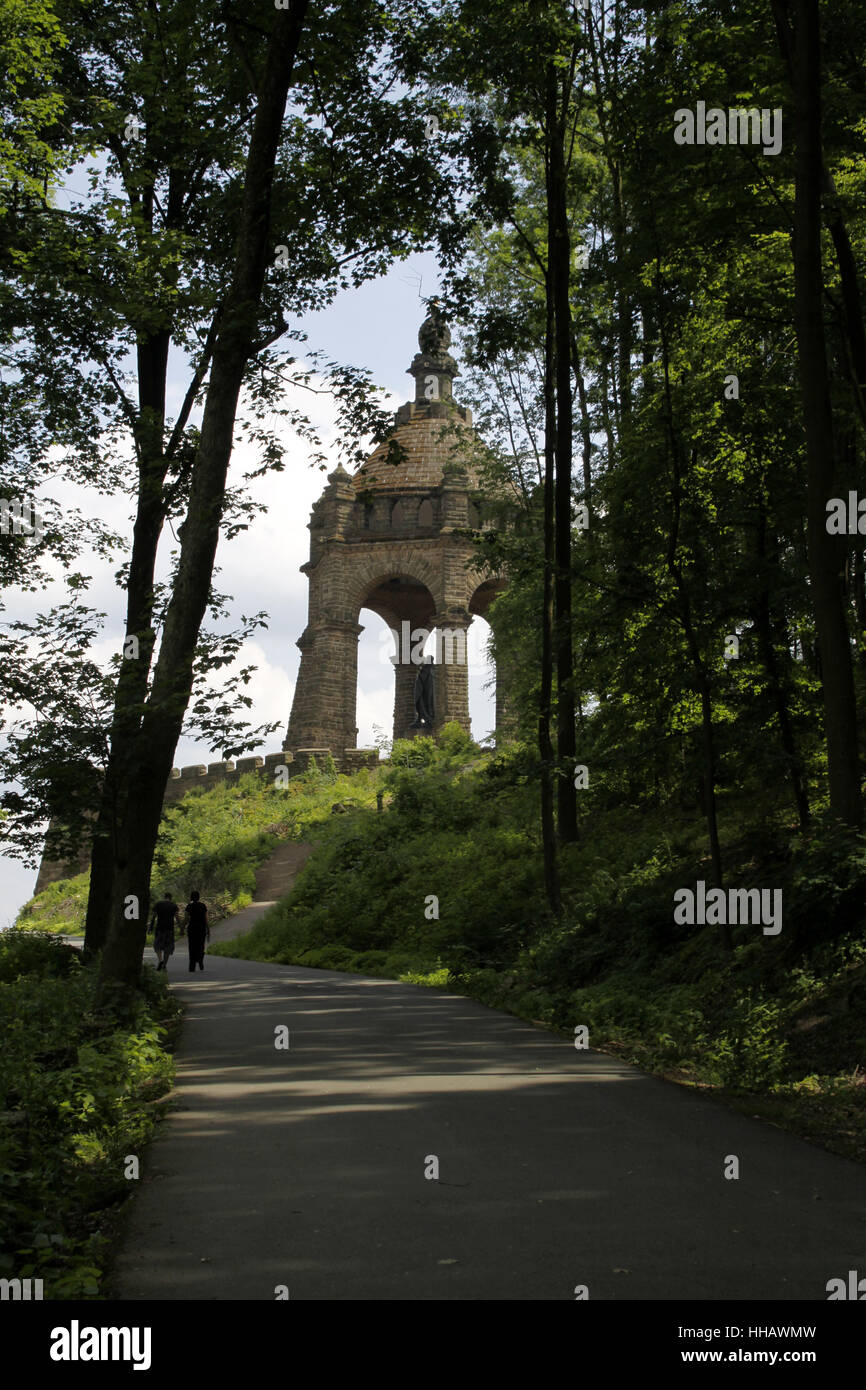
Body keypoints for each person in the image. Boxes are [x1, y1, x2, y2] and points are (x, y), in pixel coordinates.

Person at [150, 893, 179, 971]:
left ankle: (160, 961)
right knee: (168, 948)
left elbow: (154, 916)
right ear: (171, 897)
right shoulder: (173, 905)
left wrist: (150, 927)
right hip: (170, 929)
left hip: (160, 928)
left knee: (157, 946)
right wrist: (180, 927)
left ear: (164, 897)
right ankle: (164, 965)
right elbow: (177, 917)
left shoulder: (158, 904)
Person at [184, 890, 209, 972]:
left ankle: (192, 966)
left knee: (192, 946)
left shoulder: (189, 906)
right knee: (201, 945)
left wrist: (182, 927)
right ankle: (200, 959)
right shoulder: (203, 906)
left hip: (192, 929)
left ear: (191, 897)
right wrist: (208, 929)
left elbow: (186, 918)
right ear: (199, 897)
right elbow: (206, 918)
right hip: (201, 928)